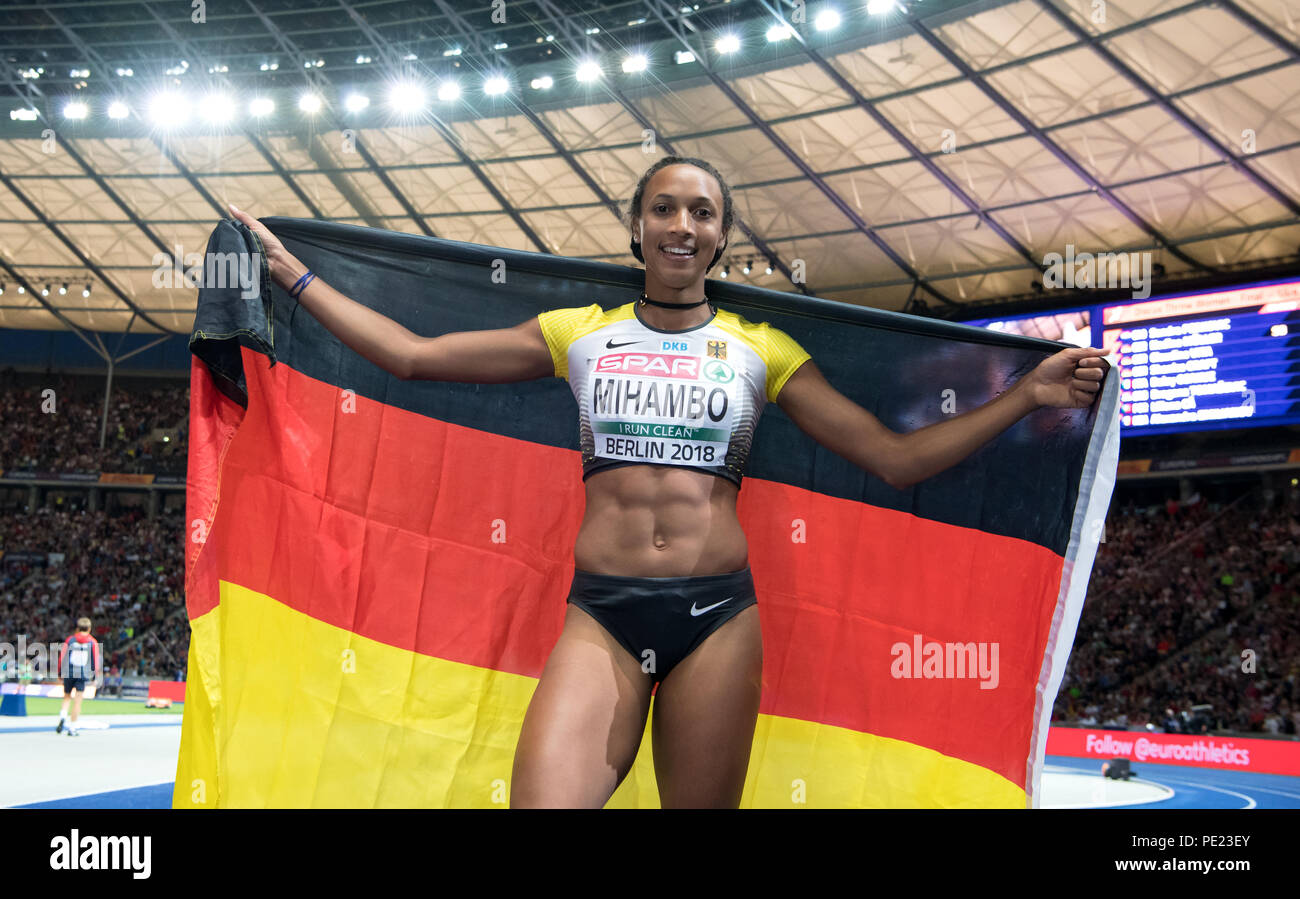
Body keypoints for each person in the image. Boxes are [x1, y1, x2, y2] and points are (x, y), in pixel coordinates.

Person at [228, 155, 1109, 808]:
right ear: (639, 228)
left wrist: (1026, 392)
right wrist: (290, 275)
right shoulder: (579, 331)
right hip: (602, 615)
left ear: (722, 237)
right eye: (663, 208)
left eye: (701, 212)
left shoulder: (765, 350)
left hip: (718, 618)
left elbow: (894, 456)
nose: (681, 224)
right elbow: (415, 358)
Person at [57, 616, 101, 736]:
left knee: (66, 697)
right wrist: (94, 676)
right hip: (82, 674)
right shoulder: (92, 642)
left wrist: (60, 672)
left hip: (69, 672)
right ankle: (72, 728)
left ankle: (62, 717)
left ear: (77, 628)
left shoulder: (70, 640)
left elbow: (63, 657)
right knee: (77, 701)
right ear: (89, 628)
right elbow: (94, 660)